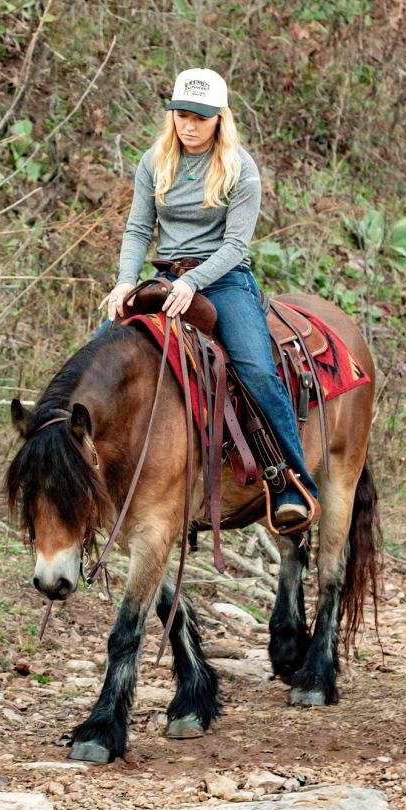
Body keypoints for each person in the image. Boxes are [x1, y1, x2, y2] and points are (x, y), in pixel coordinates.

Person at [100, 67, 317, 528]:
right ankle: (93, 473)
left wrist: (193, 282)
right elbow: (140, 228)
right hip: (163, 278)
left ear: (219, 118)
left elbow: (236, 246)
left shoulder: (240, 168)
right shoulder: (153, 162)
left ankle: (290, 482)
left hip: (223, 280)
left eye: (200, 117)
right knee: (101, 356)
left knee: (256, 367)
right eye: (181, 114)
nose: (189, 125)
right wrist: (124, 281)